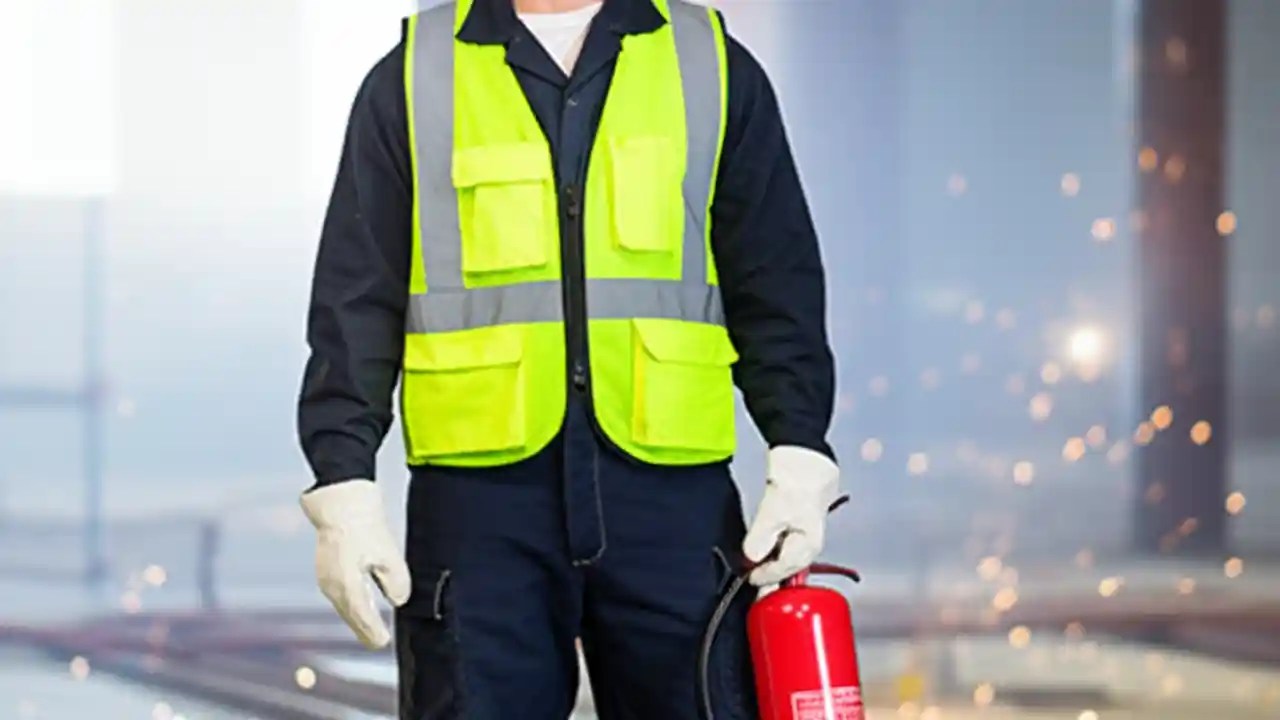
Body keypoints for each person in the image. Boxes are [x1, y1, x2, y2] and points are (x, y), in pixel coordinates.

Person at [296, 0, 838, 717]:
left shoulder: (710, 66)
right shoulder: (413, 76)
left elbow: (774, 277)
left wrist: (799, 446)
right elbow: (355, 297)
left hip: (670, 504)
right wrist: (343, 484)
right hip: (480, 513)